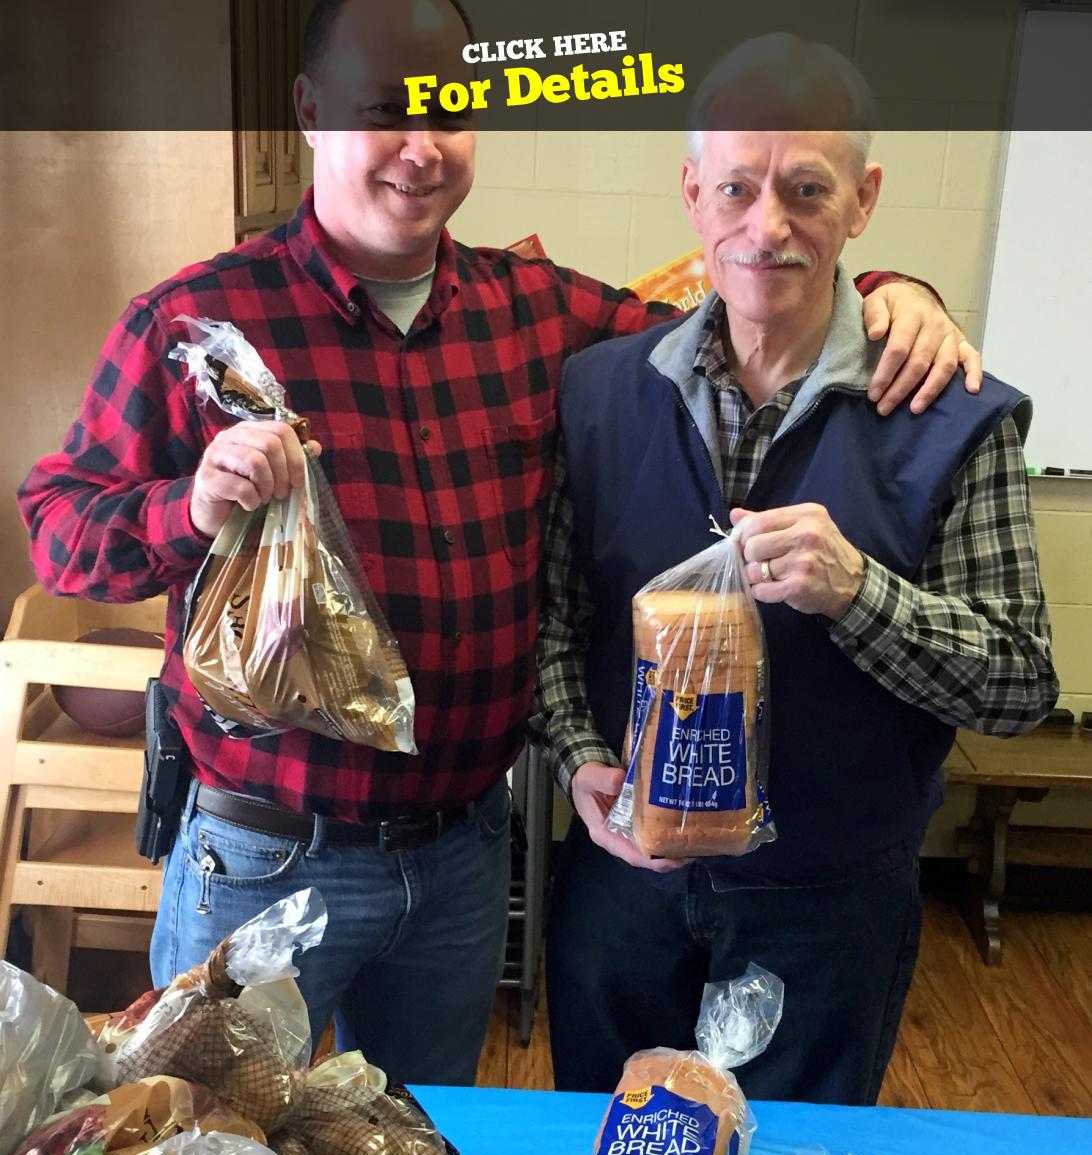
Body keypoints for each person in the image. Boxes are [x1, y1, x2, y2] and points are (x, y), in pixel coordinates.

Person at [19, 0, 984, 1086]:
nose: (422, 145)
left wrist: (892, 293)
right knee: (208, 1154)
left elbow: (742, 303)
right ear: (310, 111)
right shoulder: (195, 323)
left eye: (452, 109)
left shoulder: (541, 313)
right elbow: (59, 528)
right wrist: (185, 510)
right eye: (388, 109)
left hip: (462, 854)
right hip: (263, 854)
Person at [535, 122, 1058, 1104]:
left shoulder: (953, 413)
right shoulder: (599, 390)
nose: (766, 224)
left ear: (862, 201)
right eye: (737, 188)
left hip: (830, 900)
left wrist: (861, 592)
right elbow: (557, 623)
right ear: (693, 193)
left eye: (807, 191)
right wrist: (579, 760)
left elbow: (1020, 681)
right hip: (623, 885)